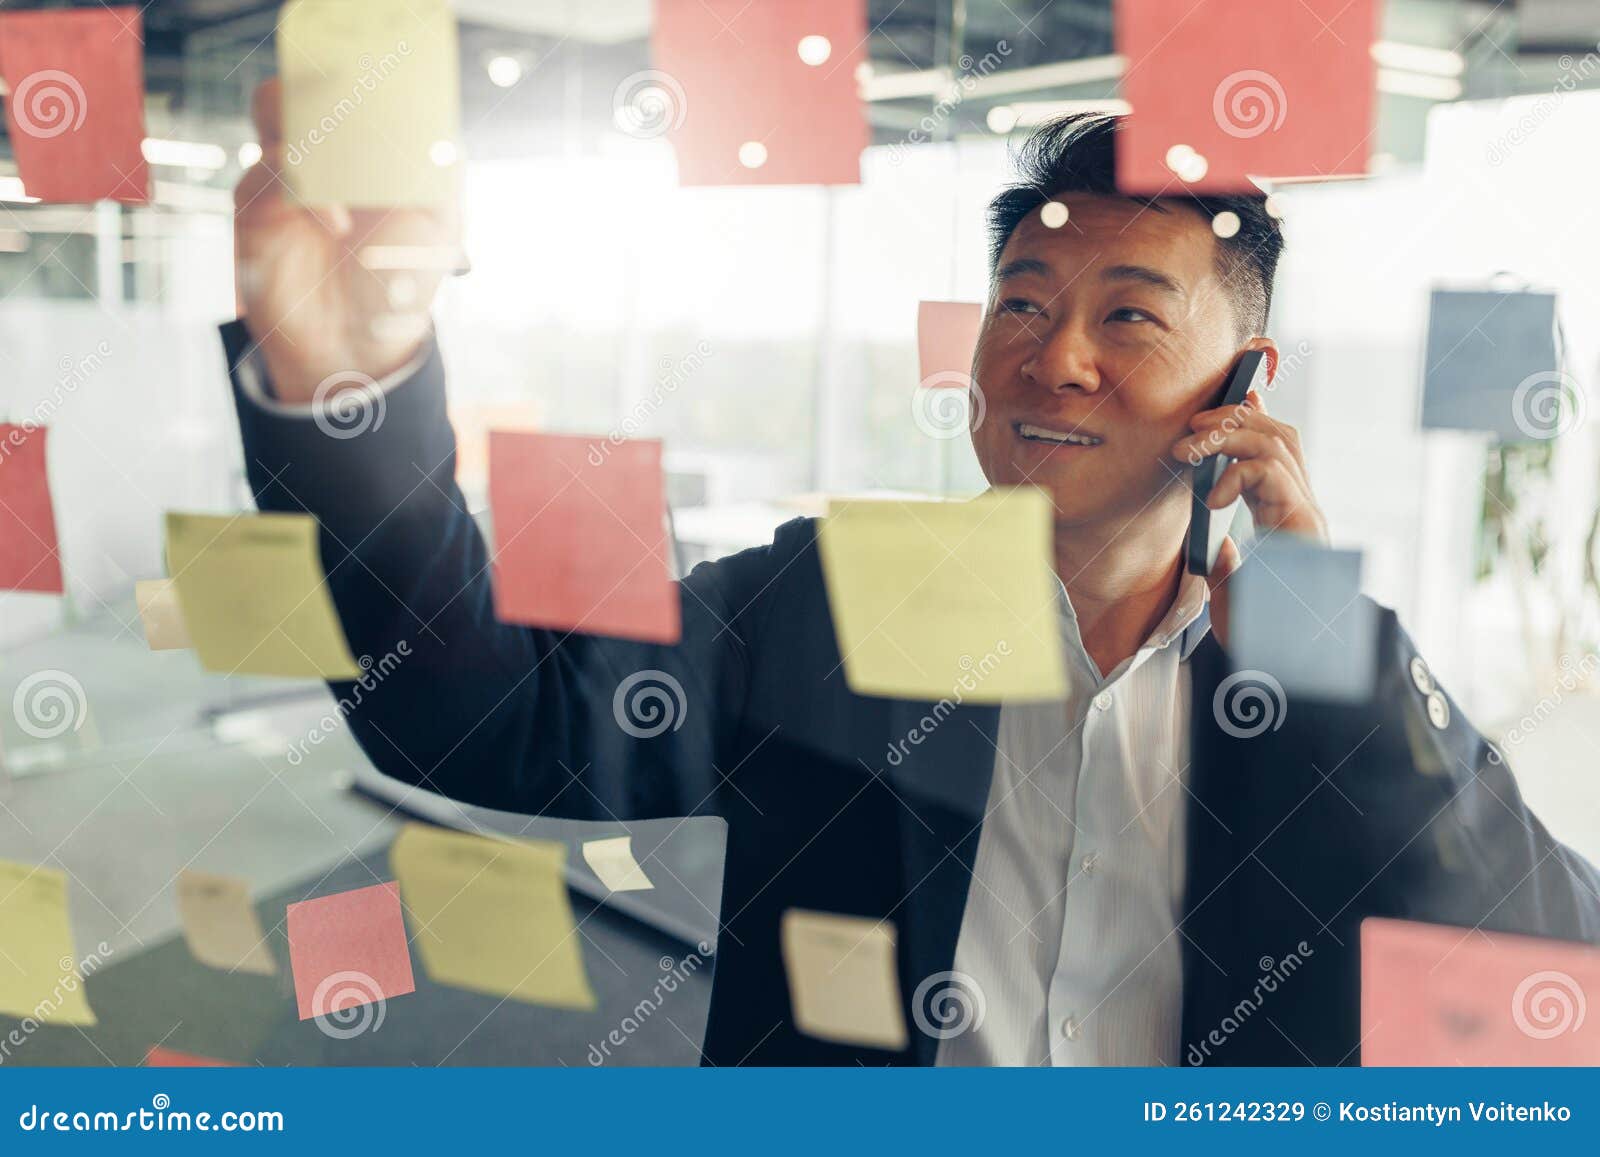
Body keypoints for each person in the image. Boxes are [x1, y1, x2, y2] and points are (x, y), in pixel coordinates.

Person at [223, 87, 1600, 1066]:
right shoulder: (845, 603)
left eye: (1127, 312)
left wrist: (1323, 636)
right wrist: (342, 389)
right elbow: (485, 710)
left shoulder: (1308, 682)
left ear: (1244, 382)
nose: (1051, 357)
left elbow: (1533, 962)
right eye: (1021, 299)